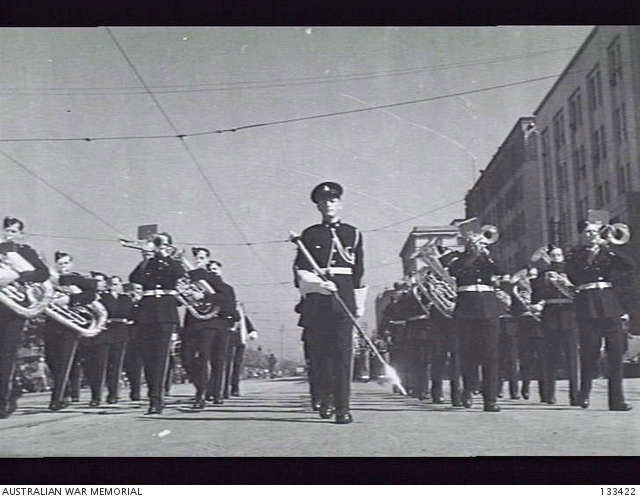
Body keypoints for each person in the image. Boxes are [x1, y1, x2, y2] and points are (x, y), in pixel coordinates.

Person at [293, 181, 366, 424]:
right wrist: (317, 285)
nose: (328, 204)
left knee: (344, 356)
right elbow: (300, 271)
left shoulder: (353, 234)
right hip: (317, 301)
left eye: (333, 200)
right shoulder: (310, 234)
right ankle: (325, 399)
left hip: (344, 299)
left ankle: (343, 407)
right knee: (322, 355)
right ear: (318, 206)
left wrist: (358, 305)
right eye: (323, 201)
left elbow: (358, 273)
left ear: (340, 203)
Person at [565, 210, 634, 411]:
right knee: (590, 353)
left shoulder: (608, 253)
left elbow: (629, 266)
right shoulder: (575, 254)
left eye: (595, 232)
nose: (591, 235)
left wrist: (609, 247)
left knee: (615, 355)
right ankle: (584, 394)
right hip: (587, 306)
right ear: (581, 234)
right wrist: (592, 253)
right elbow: (575, 275)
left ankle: (617, 400)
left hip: (610, 306)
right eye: (588, 232)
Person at [448, 218, 506, 412]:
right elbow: (456, 271)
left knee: (491, 354)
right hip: (466, 308)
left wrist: (485, 254)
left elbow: (501, 270)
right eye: (473, 238)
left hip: (489, 307)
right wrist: (472, 253)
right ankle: (468, 389)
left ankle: (490, 400)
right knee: (467, 353)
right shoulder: (457, 256)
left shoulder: (490, 256)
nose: (479, 241)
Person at [129, 232, 185, 415]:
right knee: (148, 358)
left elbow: (178, 274)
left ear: (169, 246)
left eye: (163, 243)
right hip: (146, 312)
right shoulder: (147, 264)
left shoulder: (173, 263)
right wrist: (147, 257)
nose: (159, 246)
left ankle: (157, 399)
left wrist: (164, 256)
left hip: (166, 312)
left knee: (160, 358)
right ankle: (153, 395)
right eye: (157, 243)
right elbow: (135, 278)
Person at [0, 216, 50, 418]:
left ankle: (3, 402)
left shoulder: (26, 252)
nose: (9, 234)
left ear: (21, 234)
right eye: (7, 230)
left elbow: (43, 273)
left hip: (13, 311)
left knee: (6, 357)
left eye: (13, 231)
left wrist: (17, 276)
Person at [182, 248, 237, 409]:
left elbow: (224, 297)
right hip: (195, 323)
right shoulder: (189, 278)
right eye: (195, 258)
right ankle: (204, 389)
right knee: (193, 360)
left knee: (214, 360)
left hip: (213, 324)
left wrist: (204, 296)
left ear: (207, 260)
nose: (197, 260)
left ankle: (209, 394)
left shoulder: (212, 278)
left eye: (201, 258)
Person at [44, 251, 97, 411]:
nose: (63, 267)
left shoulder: (78, 279)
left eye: (66, 263)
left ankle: (57, 399)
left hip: (70, 324)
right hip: (52, 323)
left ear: (71, 264)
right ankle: (64, 390)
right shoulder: (50, 280)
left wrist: (70, 299)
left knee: (64, 360)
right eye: (60, 264)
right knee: (51, 360)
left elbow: (91, 294)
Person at [531, 244, 579, 406]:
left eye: (559, 255)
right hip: (550, 315)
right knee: (550, 357)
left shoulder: (571, 270)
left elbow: (578, 291)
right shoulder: (543, 274)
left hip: (569, 314)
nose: (557, 258)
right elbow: (536, 294)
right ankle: (548, 394)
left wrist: (566, 282)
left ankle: (575, 395)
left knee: (572, 358)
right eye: (554, 256)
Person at [223, 303, 258, 398]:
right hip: (228, 340)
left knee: (237, 365)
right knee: (227, 365)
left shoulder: (243, 318)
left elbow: (248, 325)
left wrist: (252, 331)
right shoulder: (226, 314)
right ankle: (225, 388)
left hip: (239, 341)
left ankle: (235, 387)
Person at [123, 282, 143, 401]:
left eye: (139, 289)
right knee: (132, 364)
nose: (137, 292)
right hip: (130, 335)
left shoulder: (146, 302)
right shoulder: (126, 301)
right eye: (135, 289)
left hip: (144, 334)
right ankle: (135, 390)